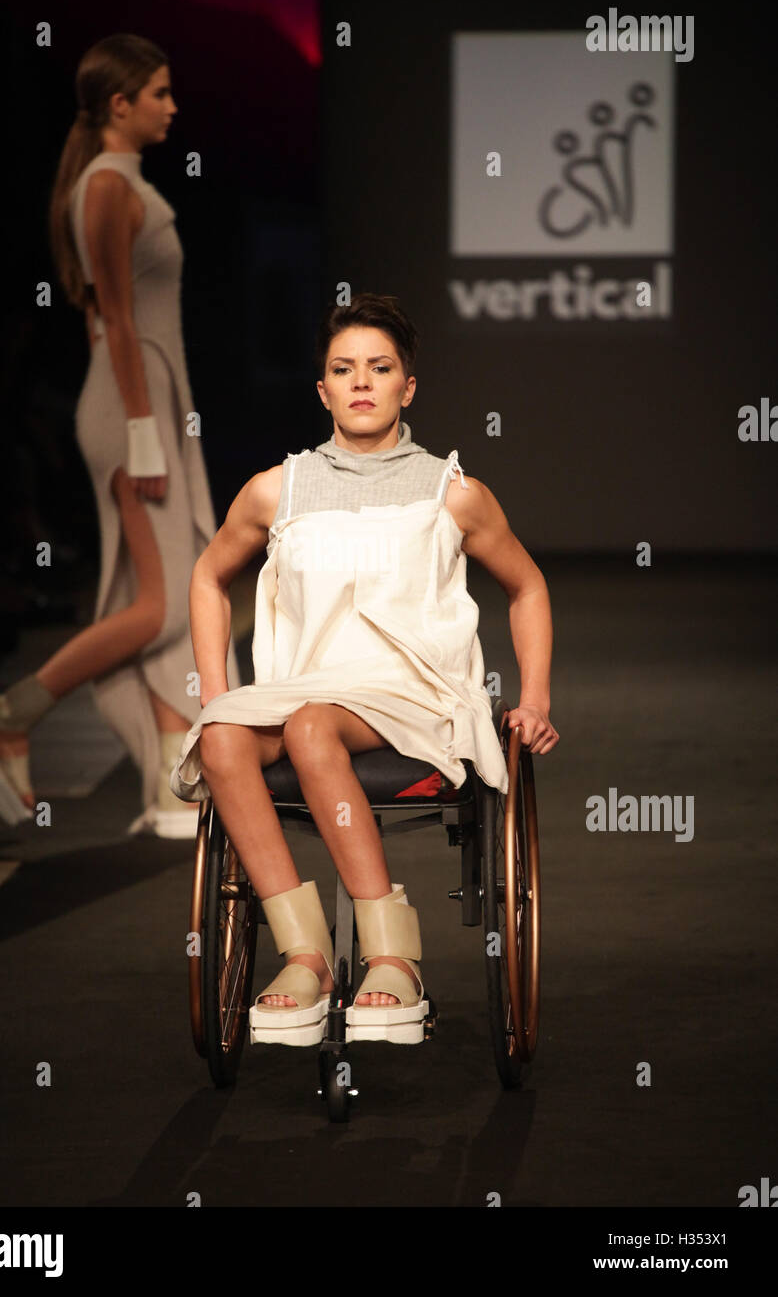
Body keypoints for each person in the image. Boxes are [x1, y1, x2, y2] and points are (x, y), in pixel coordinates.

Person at [169, 291, 559, 1043]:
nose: (361, 382)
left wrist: (534, 698)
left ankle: (392, 956)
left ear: (406, 387)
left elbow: (528, 584)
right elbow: (207, 576)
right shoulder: (275, 491)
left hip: (411, 698)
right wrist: (219, 697)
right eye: (343, 369)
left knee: (314, 728)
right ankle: (307, 955)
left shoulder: (453, 493)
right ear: (322, 390)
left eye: (379, 368)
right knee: (220, 740)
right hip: (299, 693)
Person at [0, 33, 240, 837]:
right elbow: (110, 313)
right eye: (160, 94)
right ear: (120, 104)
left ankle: (169, 778)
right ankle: (10, 714)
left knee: (165, 592)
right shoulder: (107, 184)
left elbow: (103, 320)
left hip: (137, 399)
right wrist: (142, 432)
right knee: (157, 604)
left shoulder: (113, 181)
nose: (173, 108)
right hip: (131, 405)